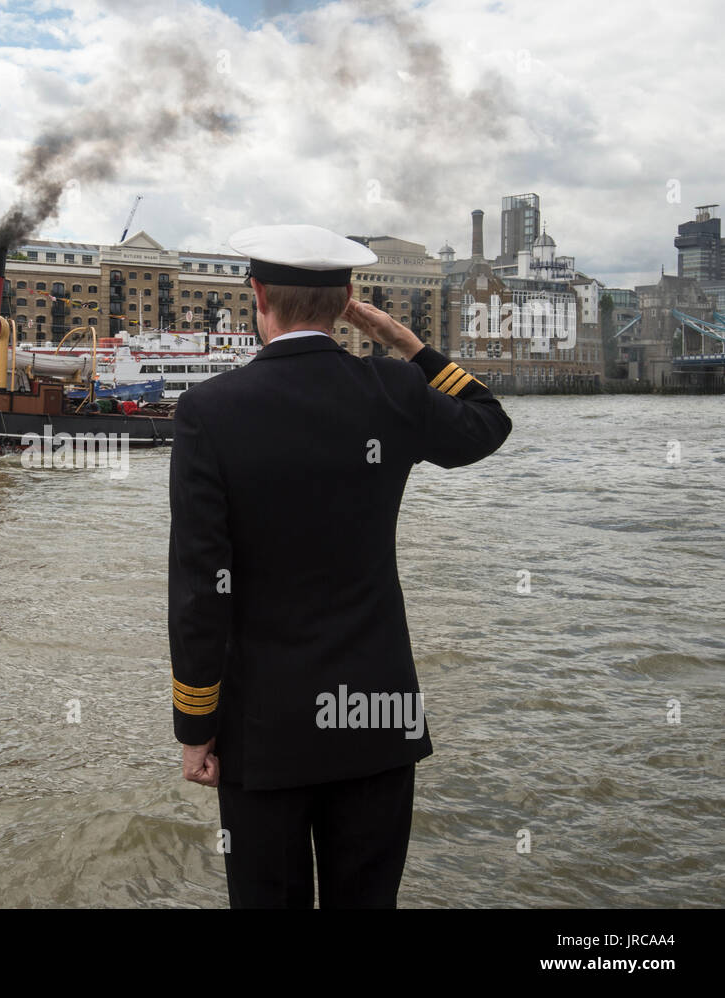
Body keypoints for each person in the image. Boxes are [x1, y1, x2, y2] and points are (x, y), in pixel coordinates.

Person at [169, 224, 512, 908]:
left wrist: (195, 728)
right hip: (378, 721)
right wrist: (401, 341)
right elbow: (487, 419)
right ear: (349, 298)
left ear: (257, 295)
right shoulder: (391, 390)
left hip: (265, 729)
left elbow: (201, 589)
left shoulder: (209, 410)